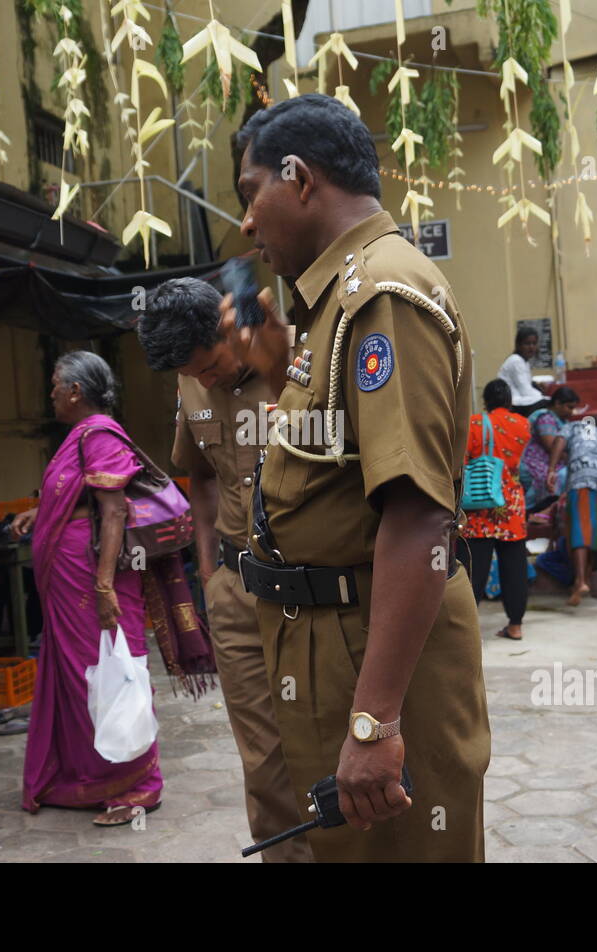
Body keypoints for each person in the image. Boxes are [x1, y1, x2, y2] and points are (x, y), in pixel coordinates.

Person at [224, 93, 489, 861]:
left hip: (371, 654)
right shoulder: (335, 301)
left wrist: (374, 723)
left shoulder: (380, 296)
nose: (246, 223)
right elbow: (335, 473)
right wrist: (278, 373)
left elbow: (417, 518)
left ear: (300, 179)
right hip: (332, 644)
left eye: (251, 194)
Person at [135, 277, 311, 862]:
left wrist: (283, 367)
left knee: (323, 741)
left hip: (309, 588)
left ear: (231, 327)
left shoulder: (297, 362)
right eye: (192, 374)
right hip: (236, 590)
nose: (204, 380)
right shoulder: (191, 384)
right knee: (262, 760)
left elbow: (343, 454)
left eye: (210, 365)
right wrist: (209, 571)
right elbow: (200, 474)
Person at [13, 351, 214, 826]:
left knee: (107, 672)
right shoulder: (80, 437)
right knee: (78, 675)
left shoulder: (99, 433)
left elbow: (115, 511)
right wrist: (39, 513)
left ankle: (138, 786)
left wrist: (104, 585)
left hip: (90, 580)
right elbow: (75, 497)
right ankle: (86, 778)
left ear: (76, 392)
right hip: (66, 583)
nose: (52, 394)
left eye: (56, 385)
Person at [464, 378, 530, 640]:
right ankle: (515, 625)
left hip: (480, 501)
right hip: (512, 503)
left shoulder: (475, 424)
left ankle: (467, 629)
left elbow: (464, 458)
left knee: (474, 567)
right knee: (514, 565)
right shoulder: (523, 424)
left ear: (486, 400)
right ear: (509, 401)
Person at [545, 415, 597, 604]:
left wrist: (552, 469)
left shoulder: (573, 426)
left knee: (580, 528)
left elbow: (559, 441)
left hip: (582, 477)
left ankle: (580, 581)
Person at [519, 386, 579, 514]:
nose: (571, 412)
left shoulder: (561, 420)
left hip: (553, 459)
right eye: (569, 407)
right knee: (552, 477)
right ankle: (535, 511)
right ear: (557, 403)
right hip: (535, 460)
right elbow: (552, 447)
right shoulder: (545, 418)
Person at [496, 326, 548, 416]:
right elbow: (526, 391)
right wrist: (547, 398)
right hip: (512, 403)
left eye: (534, 343)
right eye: (527, 344)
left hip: (519, 400)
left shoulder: (524, 361)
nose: (531, 347)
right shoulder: (516, 361)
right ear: (519, 345)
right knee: (548, 404)